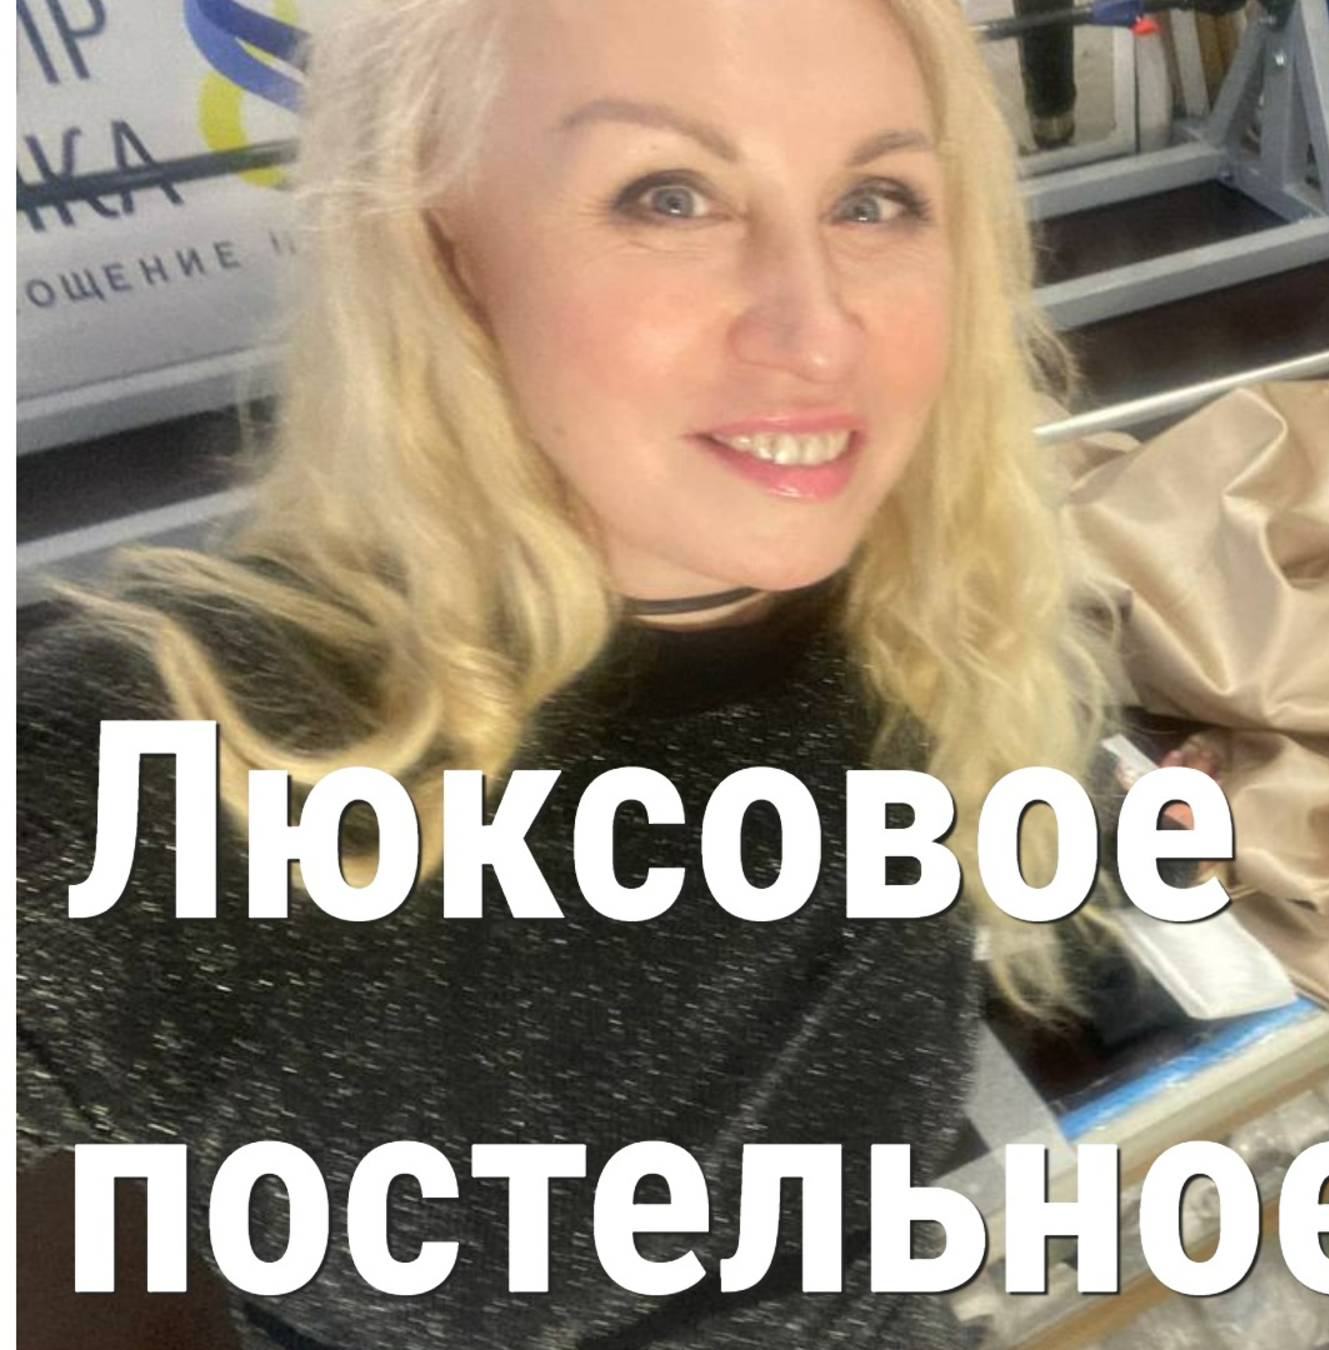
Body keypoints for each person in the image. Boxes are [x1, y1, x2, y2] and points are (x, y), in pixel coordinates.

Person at [15, 0, 1157, 1343]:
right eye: (670, 196)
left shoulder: (933, 616)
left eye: (875, 201)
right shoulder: (155, 771)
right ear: (441, 245)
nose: (819, 334)